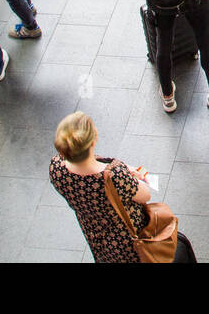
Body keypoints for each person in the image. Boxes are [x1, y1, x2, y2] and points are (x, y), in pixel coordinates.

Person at [50, 111, 158, 263]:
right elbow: (145, 195)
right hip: (127, 237)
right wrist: (129, 175)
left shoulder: (56, 168)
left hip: (94, 232)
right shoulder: (114, 177)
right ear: (93, 141)